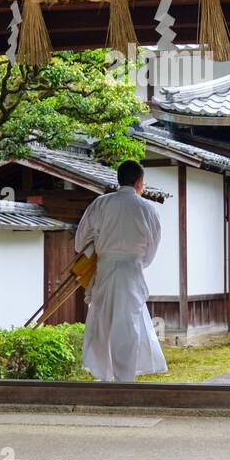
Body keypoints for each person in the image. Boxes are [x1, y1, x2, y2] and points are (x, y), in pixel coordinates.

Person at [74, 160, 168, 382]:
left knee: (103, 321)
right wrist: (137, 262)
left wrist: (100, 244)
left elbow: (80, 242)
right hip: (132, 271)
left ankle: (105, 376)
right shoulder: (147, 209)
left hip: (105, 269)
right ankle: (125, 379)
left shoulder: (101, 203)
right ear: (138, 182)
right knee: (129, 324)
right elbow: (151, 250)